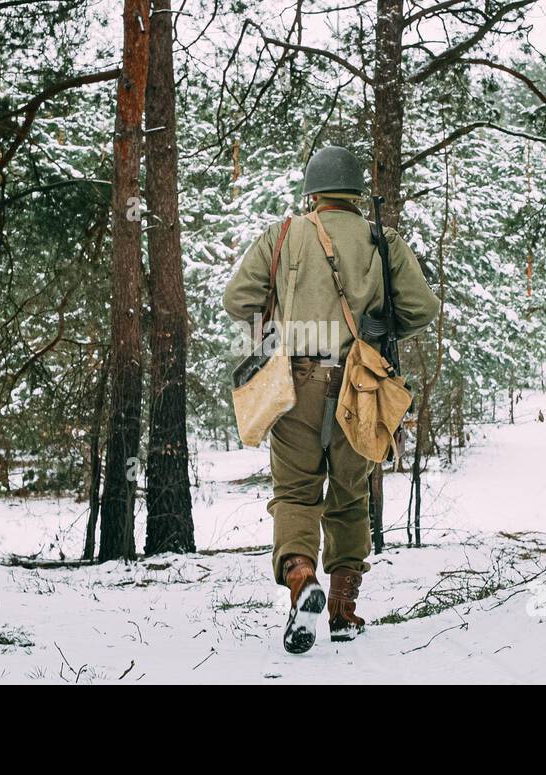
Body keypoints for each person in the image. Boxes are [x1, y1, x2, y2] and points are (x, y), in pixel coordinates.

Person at [223, 146, 440, 654]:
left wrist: (276, 322)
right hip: (360, 384)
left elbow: (238, 298)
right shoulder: (381, 240)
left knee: (296, 492)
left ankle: (302, 579)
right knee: (349, 496)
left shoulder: (283, 234)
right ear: (356, 195)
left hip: (295, 381)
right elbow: (421, 309)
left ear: (313, 193)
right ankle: (344, 610)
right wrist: (380, 329)